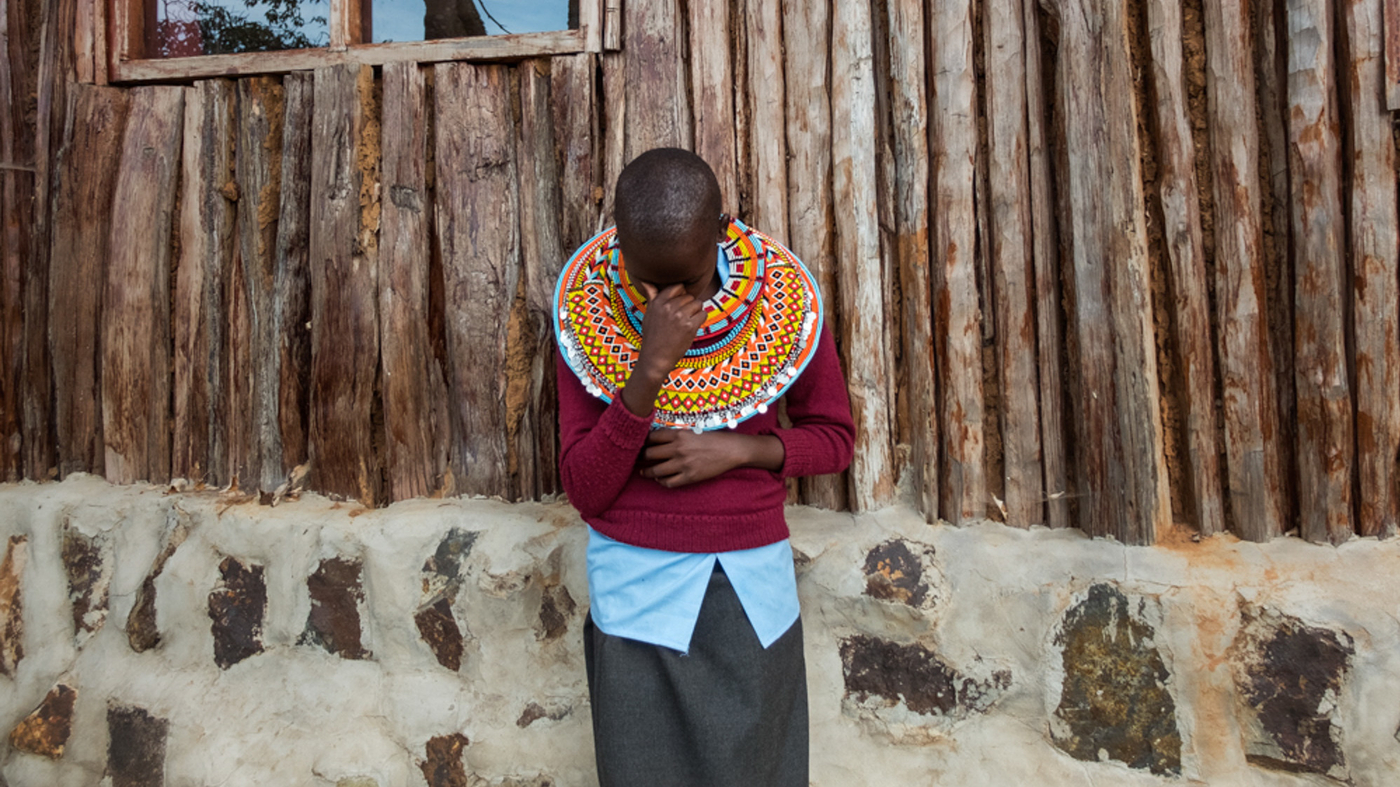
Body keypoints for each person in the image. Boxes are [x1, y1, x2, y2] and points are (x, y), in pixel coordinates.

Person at [553, 147, 855, 786]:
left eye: (684, 282)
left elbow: (834, 441)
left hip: (748, 586)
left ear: (722, 230)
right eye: (645, 279)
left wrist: (739, 450)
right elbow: (586, 487)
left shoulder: (782, 306)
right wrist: (648, 370)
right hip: (634, 587)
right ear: (617, 243)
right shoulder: (588, 312)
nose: (665, 299)